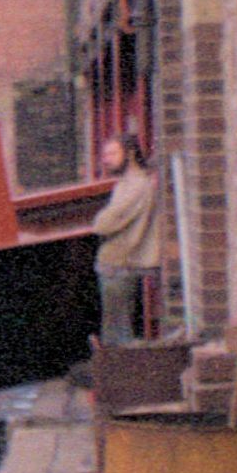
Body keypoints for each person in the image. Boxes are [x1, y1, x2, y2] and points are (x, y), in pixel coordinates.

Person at [92, 131, 162, 346]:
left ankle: (122, 372)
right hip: (119, 264)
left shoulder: (136, 185)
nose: (106, 159)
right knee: (116, 331)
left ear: (130, 154)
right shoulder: (128, 183)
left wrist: (100, 219)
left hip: (122, 264)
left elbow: (104, 224)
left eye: (112, 153)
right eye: (105, 154)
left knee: (118, 335)